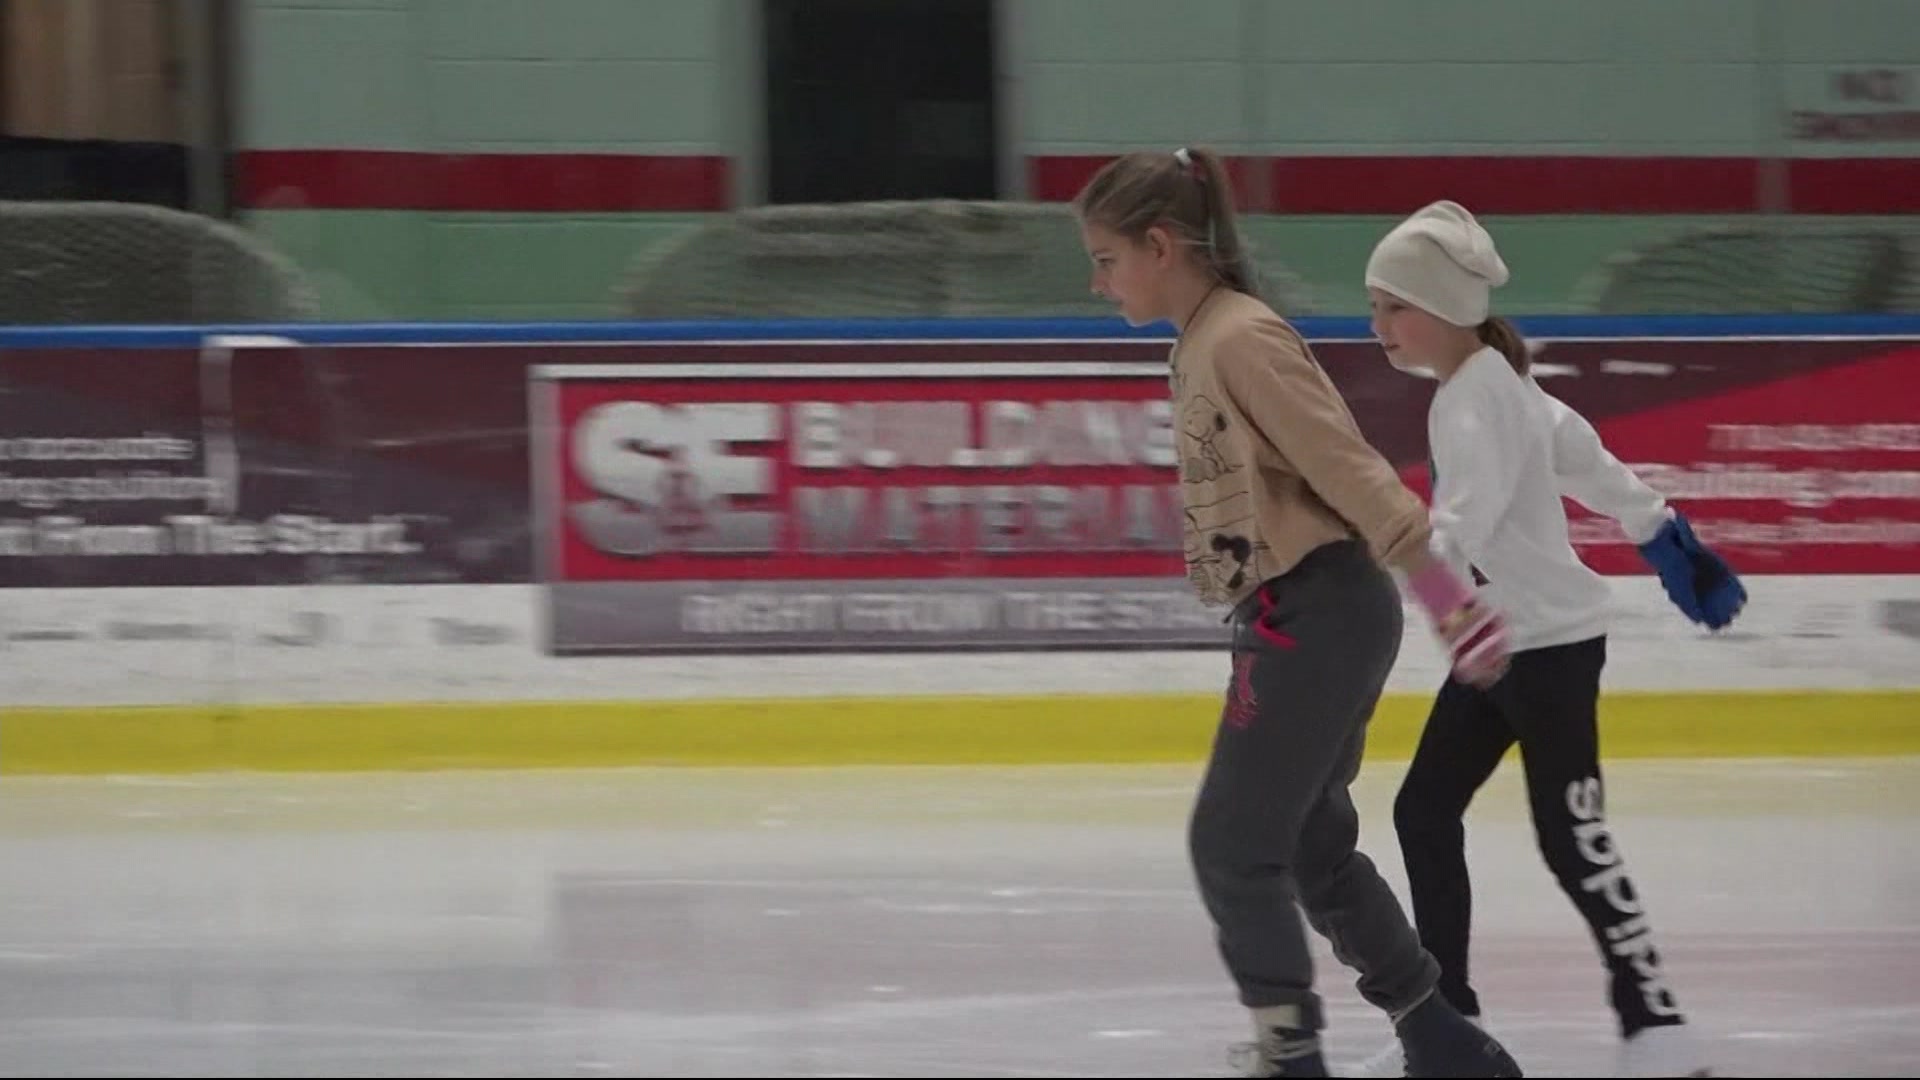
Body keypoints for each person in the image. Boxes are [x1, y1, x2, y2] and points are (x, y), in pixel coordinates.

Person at [1072, 146, 1525, 1078]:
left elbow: (1347, 467)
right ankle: (1441, 1037)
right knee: (1311, 846)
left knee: (1231, 848)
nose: (1098, 282)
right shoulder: (1206, 337)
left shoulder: (1240, 338)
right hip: (1302, 613)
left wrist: (1445, 594)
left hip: (1319, 614)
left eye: (1107, 259)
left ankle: (1291, 1052)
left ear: (1160, 246)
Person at [1354, 199, 1746, 1078]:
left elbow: (1458, 525)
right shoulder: (1499, 384)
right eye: (1376, 306)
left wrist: (1440, 599)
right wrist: (1663, 533)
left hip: (1542, 648)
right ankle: (1448, 1023)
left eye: (1392, 307)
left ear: (1442, 308)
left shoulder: (1476, 400)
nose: (1378, 325)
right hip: (1510, 644)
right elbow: (1589, 462)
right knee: (1426, 812)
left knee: (1571, 837)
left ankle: (1657, 1023)